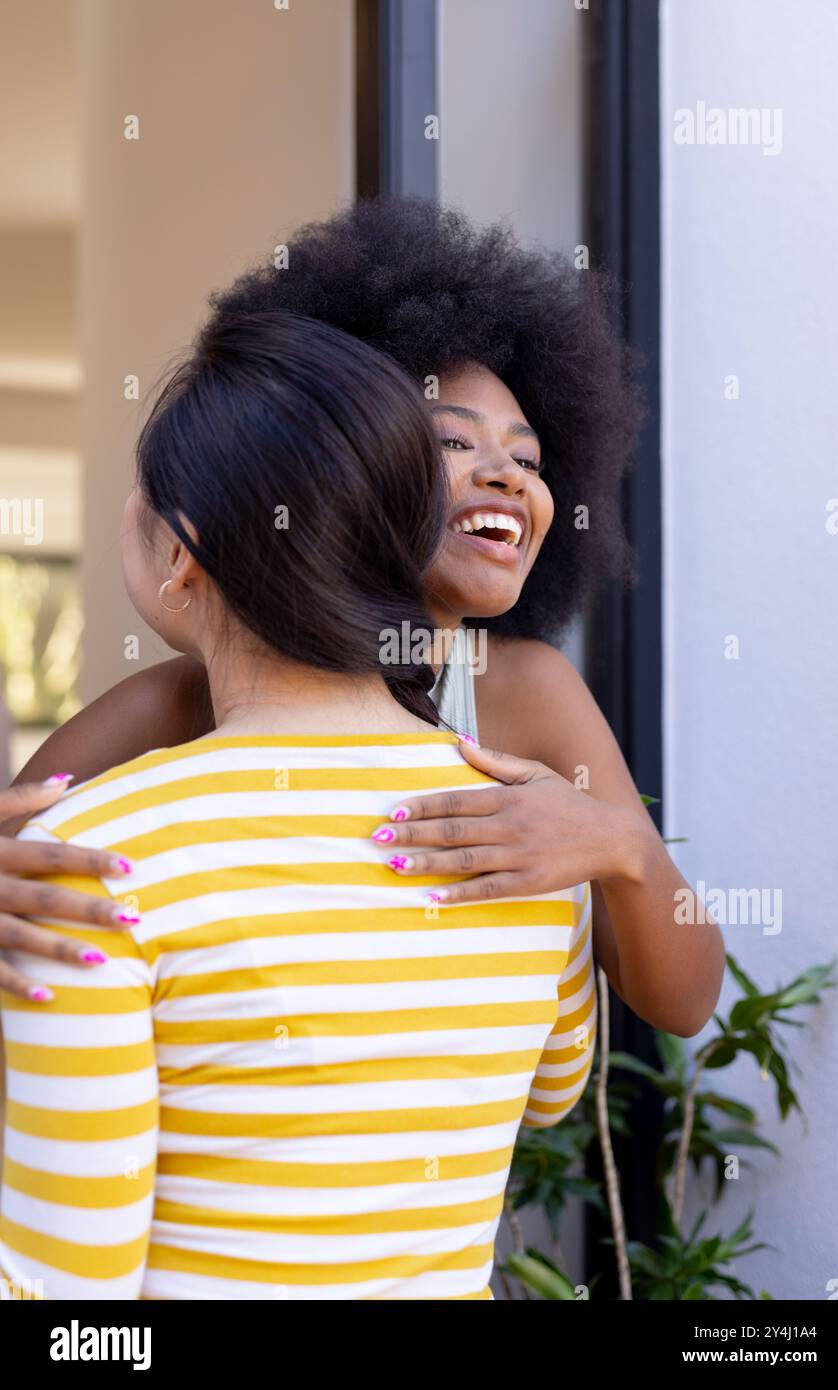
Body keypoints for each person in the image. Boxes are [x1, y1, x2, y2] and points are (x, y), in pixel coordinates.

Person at [0, 198, 723, 1040]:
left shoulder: (525, 693)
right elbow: (29, 859)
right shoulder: (180, 703)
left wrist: (622, 854)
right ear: (345, 468)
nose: (507, 476)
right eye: (452, 443)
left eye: (528, 458)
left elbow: (683, 1003)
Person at [0, 310, 594, 1300]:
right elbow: (551, 1090)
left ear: (181, 548)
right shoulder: (527, 827)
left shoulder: (93, 860)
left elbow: (68, 1299)